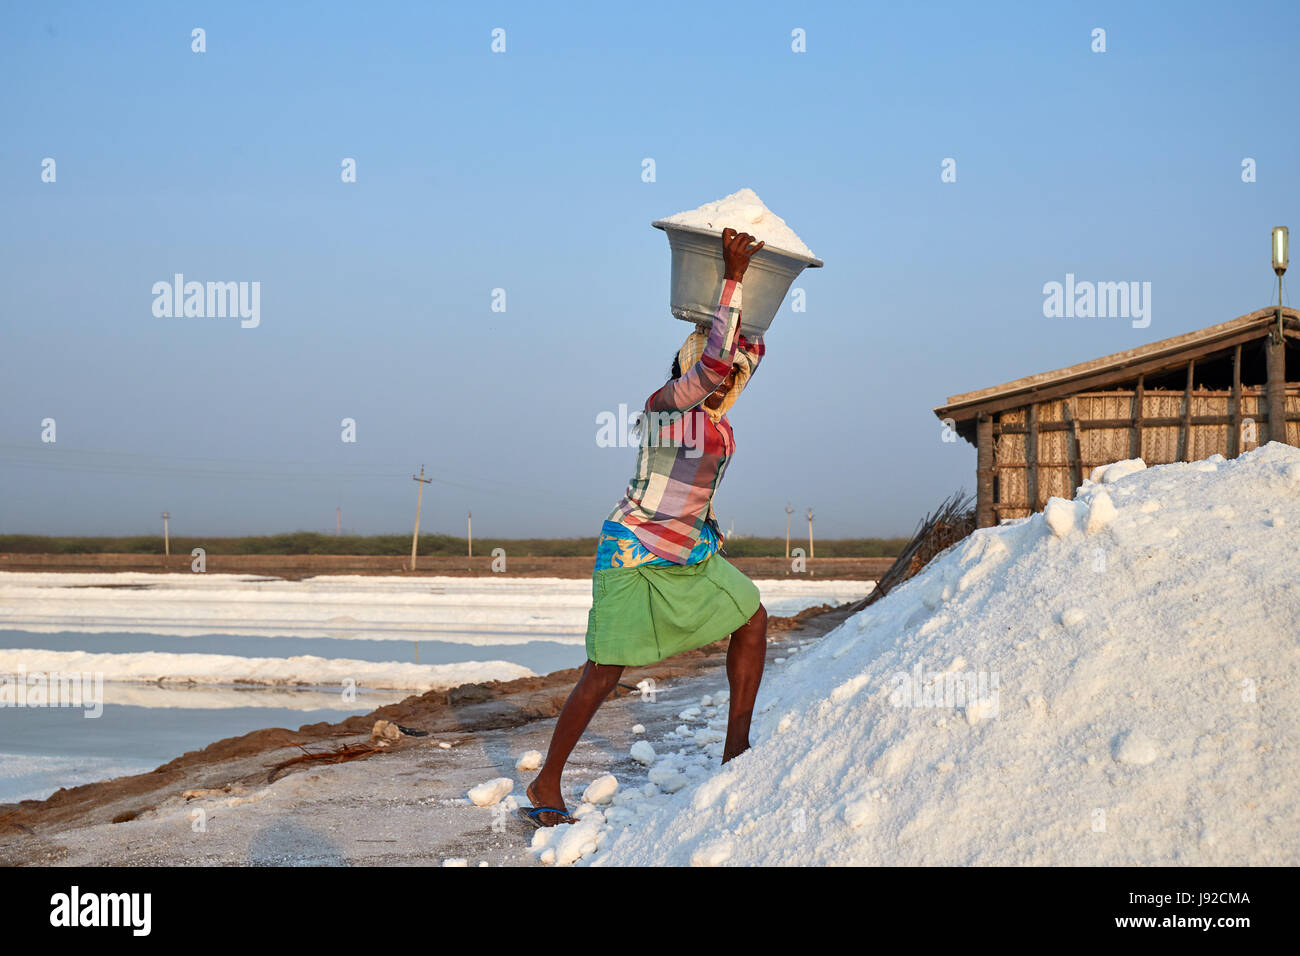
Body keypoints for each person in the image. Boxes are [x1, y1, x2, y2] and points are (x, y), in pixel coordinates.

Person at [522, 227, 770, 827]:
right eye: (713, 370)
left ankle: (736, 749)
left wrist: (759, 286)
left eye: (731, 376)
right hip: (633, 550)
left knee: (752, 618)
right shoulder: (664, 407)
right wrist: (732, 277)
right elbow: (716, 362)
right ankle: (546, 781)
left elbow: (749, 349)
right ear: (686, 366)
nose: (726, 377)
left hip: (688, 551)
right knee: (605, 671)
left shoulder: (718, 419)